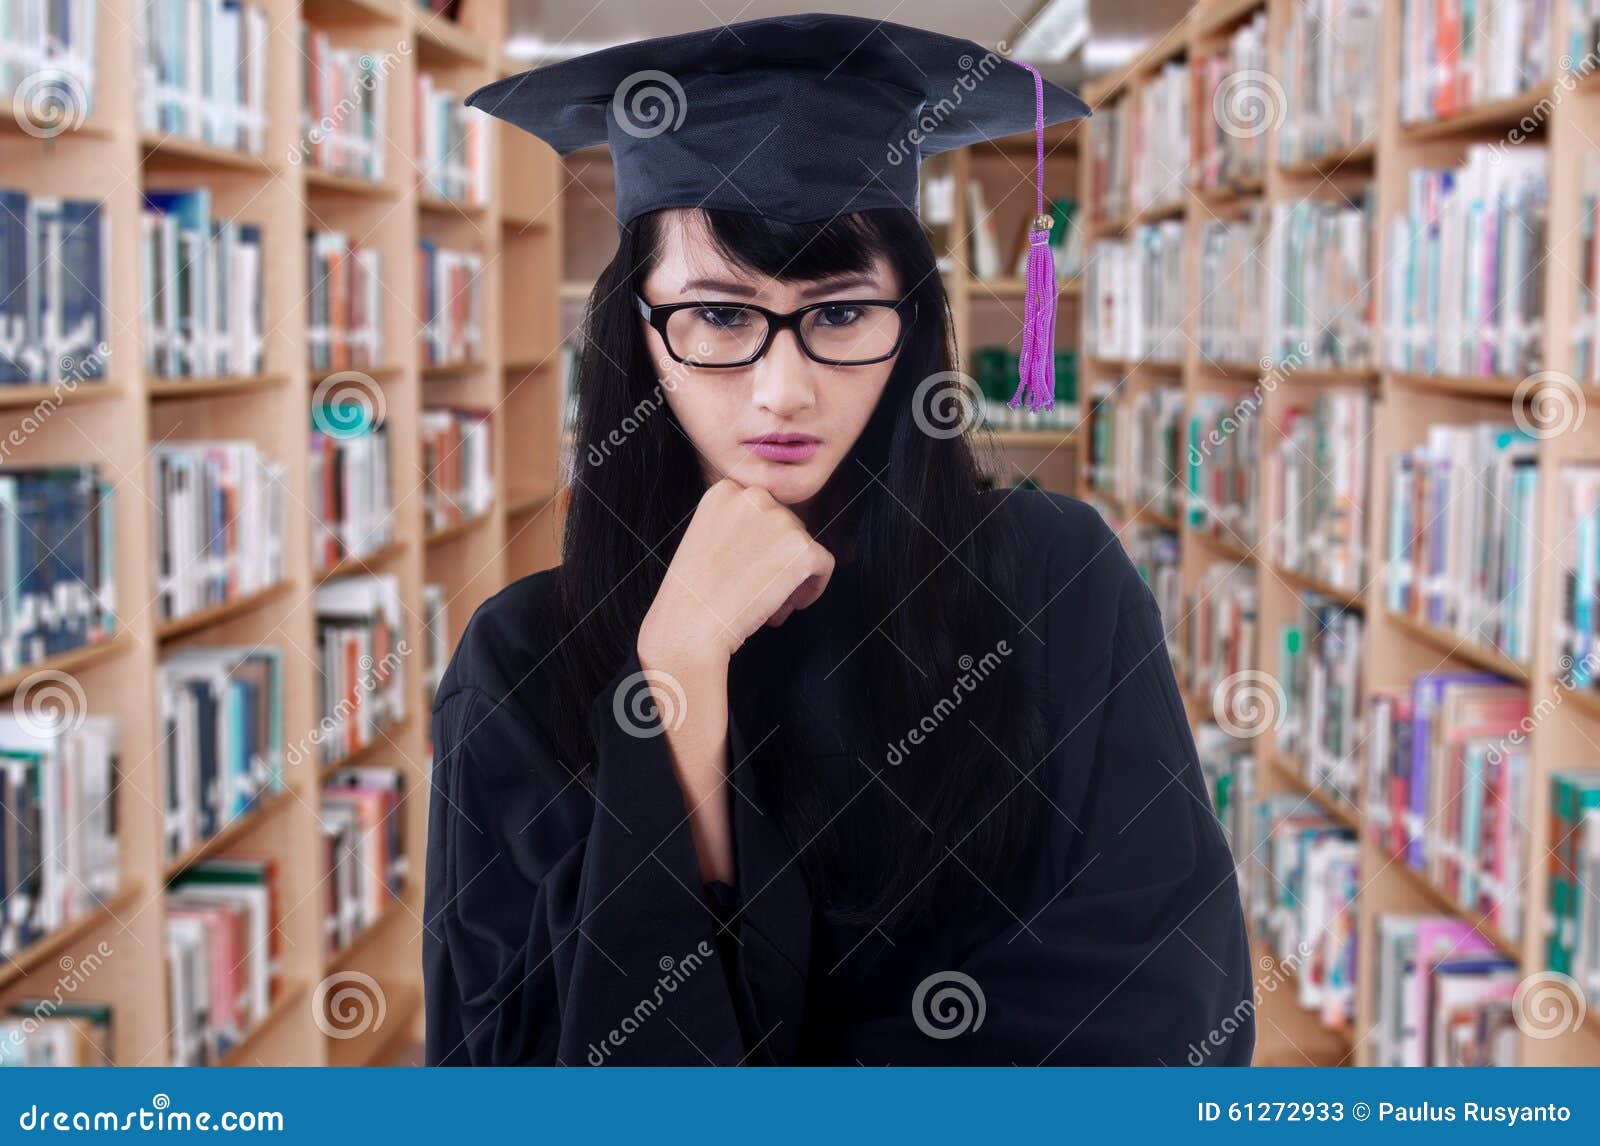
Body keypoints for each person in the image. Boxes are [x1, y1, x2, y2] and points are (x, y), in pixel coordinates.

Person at [422, 12, 1255, 1066]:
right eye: (719, 317)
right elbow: (513, 1079)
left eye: (840, 313)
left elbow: (1160, 1014)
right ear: (638, 331)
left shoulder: (1052, 582)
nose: (784, 389)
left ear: (911, 322)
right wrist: (676, 680)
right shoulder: (519, 659)